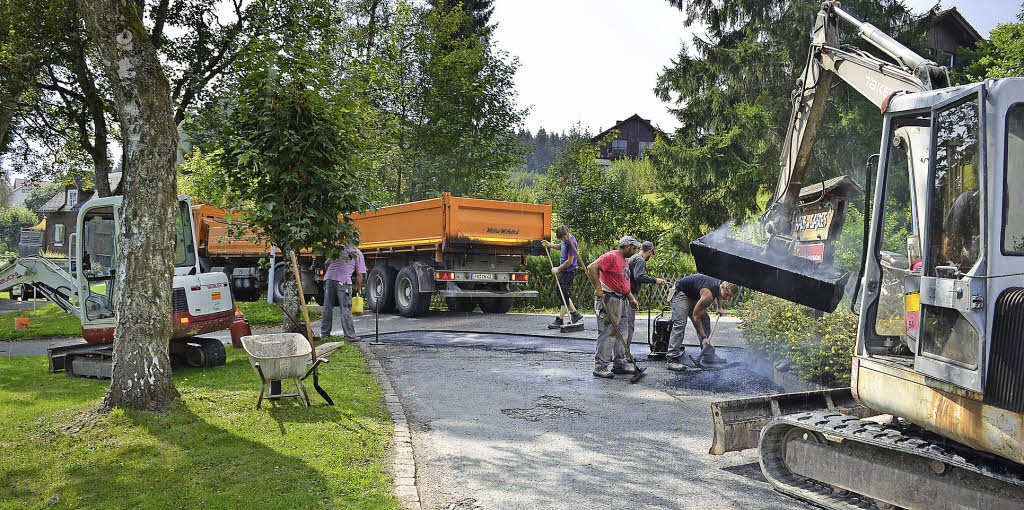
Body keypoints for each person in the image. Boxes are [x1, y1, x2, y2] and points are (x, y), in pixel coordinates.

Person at [586, 236, 641, 378]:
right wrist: (598, 288)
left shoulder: (624, 261)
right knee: (608, 332)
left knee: (623, 331)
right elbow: (591, 268)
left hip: (622, 300)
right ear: (627, 246)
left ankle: (620, 363)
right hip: (609, 299)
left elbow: (623, 281)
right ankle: (600, 367)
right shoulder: (611, 256)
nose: (634, 251)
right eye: (634, 248)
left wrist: (632, 299)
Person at [665, 274, 739, 371]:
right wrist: (704, 337)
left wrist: (719, 307)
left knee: (705, 321)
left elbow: (719, 294)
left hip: (695, 294)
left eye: (731, 296)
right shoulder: (708, 295)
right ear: (722, 287)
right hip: (681, 293)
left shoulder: (722, 283)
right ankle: (672, 359)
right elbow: (696, 317)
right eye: (727, 295)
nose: (728, 298)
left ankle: (708, 356)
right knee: (680, 323)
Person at [320, 244, 366, 341]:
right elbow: (359, 274)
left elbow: (326, 263)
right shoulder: (357, 253)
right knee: (345, 308)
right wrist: (359, 289)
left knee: (327, 307)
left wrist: (330, 272)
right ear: (358, 244)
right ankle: (350, 336)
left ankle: (325, 334)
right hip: (343, 281)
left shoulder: (338, 249)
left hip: (329, 279)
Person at [543, 225, 584, 329]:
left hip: (569, 271)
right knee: (561, 293)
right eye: (561, 238)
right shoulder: (565, 241)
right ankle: (575, 314)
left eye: (564, 237)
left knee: (563, 294)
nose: (563, 240)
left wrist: (558, 269)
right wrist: (549, 245)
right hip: (564, 272)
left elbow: (569, 261)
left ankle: (560, 320)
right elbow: (560, 246)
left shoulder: (572, 243)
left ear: (568, 233)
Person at [626, 241, 667, 343]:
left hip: (626, 292)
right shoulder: (640, 260)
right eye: (651, 253)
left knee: (624, 323)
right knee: (628, 324)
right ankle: (624, 354)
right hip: (629, 294)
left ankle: (622, 353)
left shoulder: (633, 258)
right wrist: (655, 280)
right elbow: (639, 276)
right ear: (649, 251)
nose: (650, 255)